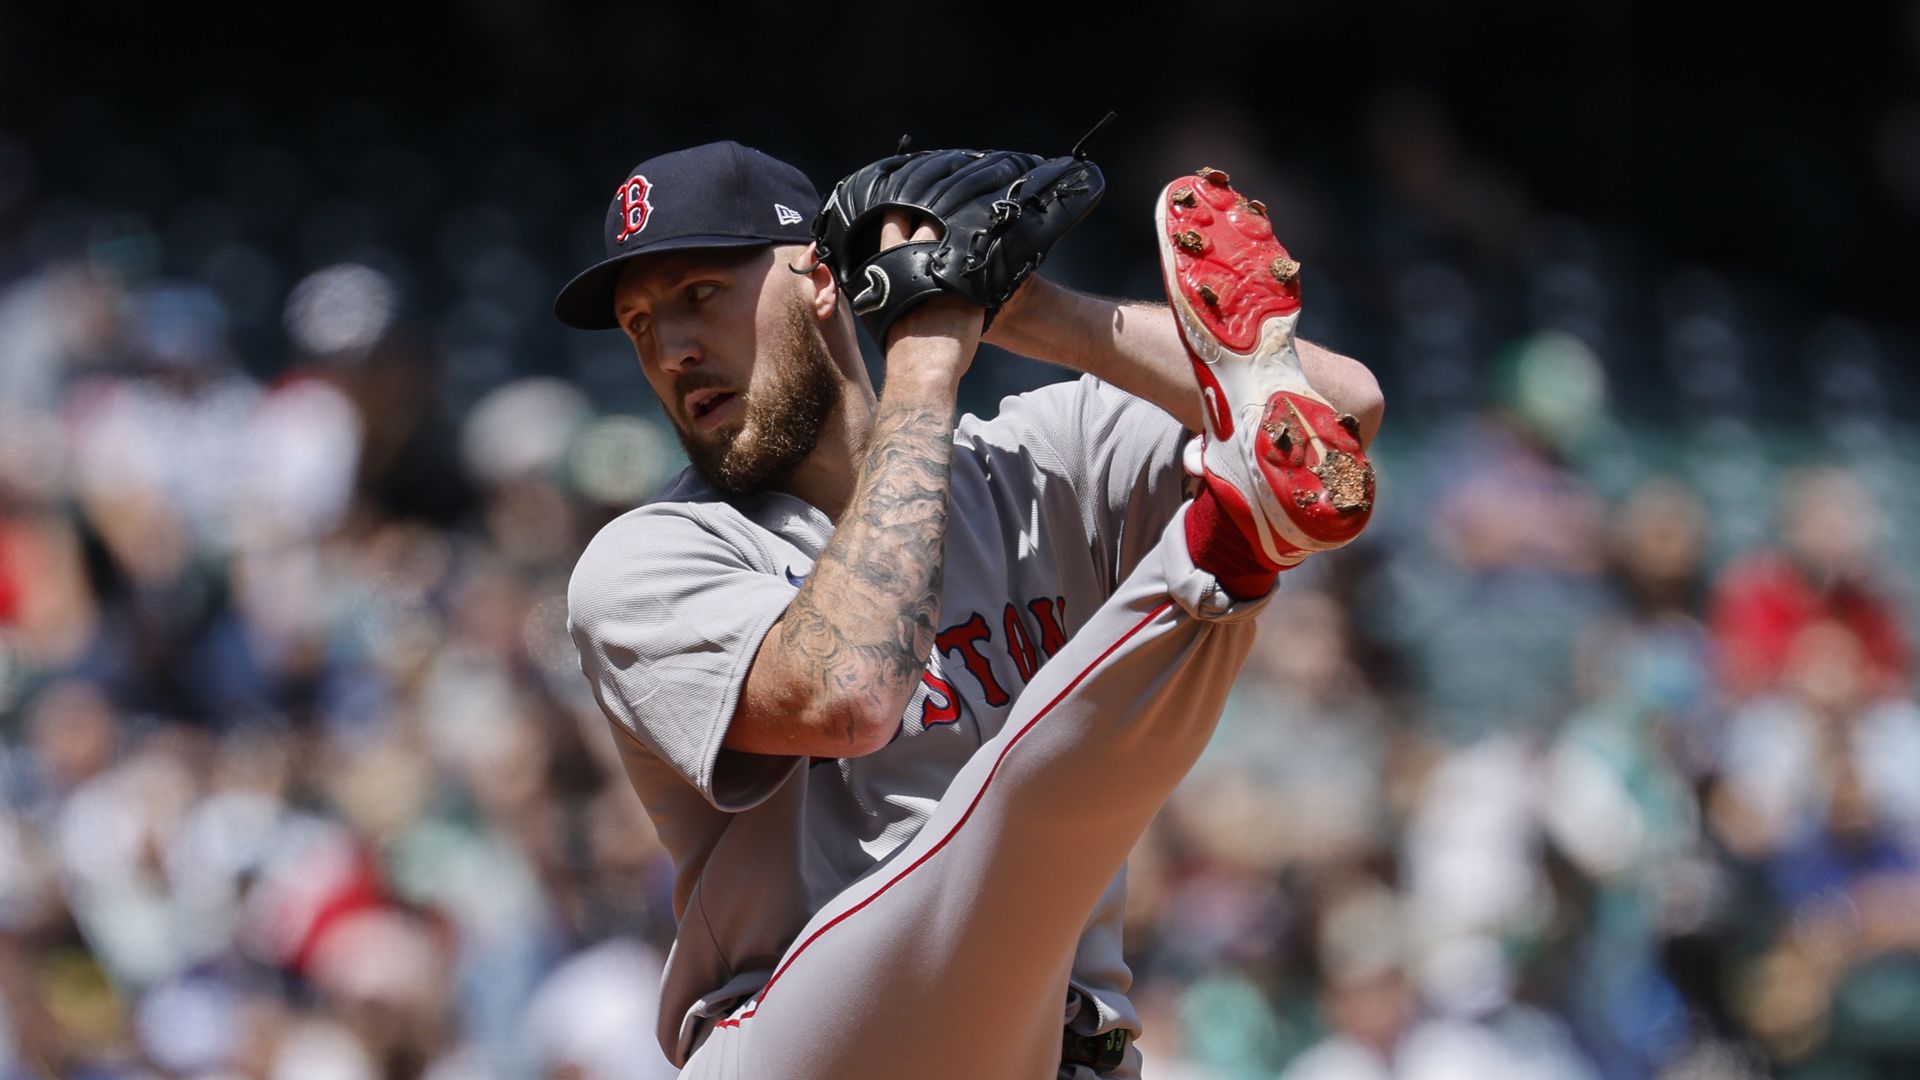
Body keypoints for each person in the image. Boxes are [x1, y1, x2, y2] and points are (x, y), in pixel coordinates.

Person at [554, 140, 1383, 1079]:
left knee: (1237, 476)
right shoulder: (650, 558)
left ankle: (1234, 541)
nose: (670, 351)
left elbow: (1340, 414)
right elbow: (854, 694)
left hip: (1056, 1057)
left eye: (698, 293)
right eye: (638, 325)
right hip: (802, 1034)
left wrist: (1032, 312)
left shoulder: (1037, 465)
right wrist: (923, 363)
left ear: (823, 277)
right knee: (1012, 798)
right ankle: (1227, 553)